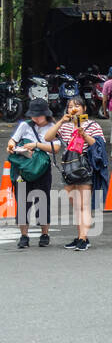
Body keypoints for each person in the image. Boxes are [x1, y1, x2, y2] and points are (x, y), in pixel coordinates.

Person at [46, 97, 105, 251]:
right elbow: (47, 138)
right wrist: (60, 121)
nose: (74, 108)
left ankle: (83, 238)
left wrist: (84, 135)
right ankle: (80, 235)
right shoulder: (65, 126)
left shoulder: (93, 125)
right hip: (68, 168)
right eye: (70, 106)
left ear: (84, 108)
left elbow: (99, 145)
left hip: (84, 167)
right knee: (76, 206)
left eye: (77, 106)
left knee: (84, 205)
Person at [6, 100, 55, 248]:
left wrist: (35, 145)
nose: (35, 118)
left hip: (42, 170)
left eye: (38, 116)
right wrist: (11, 146)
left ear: (45, 114)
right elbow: (12, 140)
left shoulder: (52, 127)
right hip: (22, 170)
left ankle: (45, 234)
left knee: (42, 201)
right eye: (33, 115)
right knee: (22, 202)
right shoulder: (24, 125)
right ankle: (24, 236)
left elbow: (55, 148)